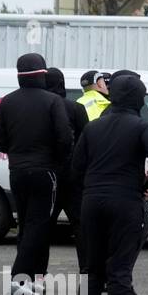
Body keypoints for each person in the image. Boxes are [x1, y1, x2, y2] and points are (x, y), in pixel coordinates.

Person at [69, 74, 148, 295]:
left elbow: (76, 167)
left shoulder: (94, 128)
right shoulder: (140, 126)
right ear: (137, 98)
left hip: (92, 201)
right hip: (125, 201)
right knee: (120, 268)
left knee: (91, 268)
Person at [0, 54, 72, 295]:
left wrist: (16, 153)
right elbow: (65, 138)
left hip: (16, 171)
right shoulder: (52, 101)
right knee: (39, 225)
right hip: (45, 171)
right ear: (42, 73)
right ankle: (18, 279)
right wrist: (56, 160)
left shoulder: (8, 102)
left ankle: (31, 277)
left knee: (26, 224)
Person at [45, 68, 89, 267]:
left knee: (43, 228)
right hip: (73, 177)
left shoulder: (42, 108)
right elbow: (86, 142)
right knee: (81, 228)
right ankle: (89, 275)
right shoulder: (75, 108)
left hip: (48, 175)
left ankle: (38, 275)